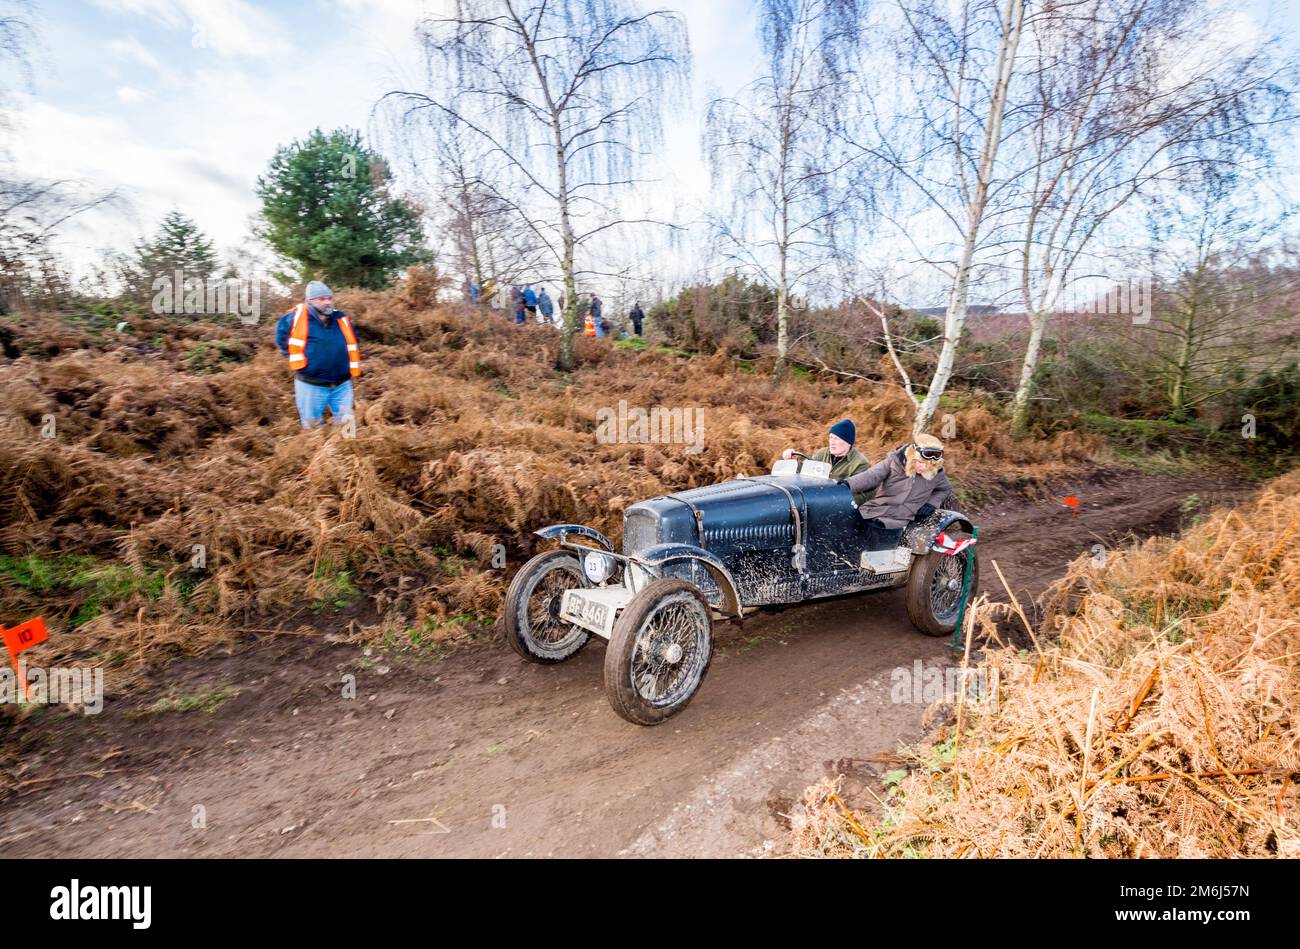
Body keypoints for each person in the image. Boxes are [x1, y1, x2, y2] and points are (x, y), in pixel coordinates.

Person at [843, 434, 953, 555]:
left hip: (902, 517)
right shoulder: (894, 462)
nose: (923, 467)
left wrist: (931, 504)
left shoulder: (937, 474)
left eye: (928, 465)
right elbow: (872, 475)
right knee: (847, 525)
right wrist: (847, 484)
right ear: (912, 455)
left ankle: (871, 569)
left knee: (876, 535)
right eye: (920, 462)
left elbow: (944, 489)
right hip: (876, 508)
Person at [275, 280, 360, 429]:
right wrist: (301, 359)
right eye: (322, 299)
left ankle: (348, 449)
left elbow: (354, 341)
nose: (327, 302)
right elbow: (281, 339)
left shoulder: (341, 319)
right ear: (310, 301)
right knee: (312, 429)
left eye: (329, 298)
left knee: (348, 427)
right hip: (311, 385)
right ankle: (318, 451)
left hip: (342, 385)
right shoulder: (294, 318)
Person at [782, 419, 871, 502]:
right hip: (816, 500)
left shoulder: (860, 464)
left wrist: (833, 500)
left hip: (839, 506)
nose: (832, 442)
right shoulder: (822, 453)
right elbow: (806, 471)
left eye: (836, 438)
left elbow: (863, 496)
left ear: (848, 442)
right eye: (831, 437)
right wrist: (792, 461)